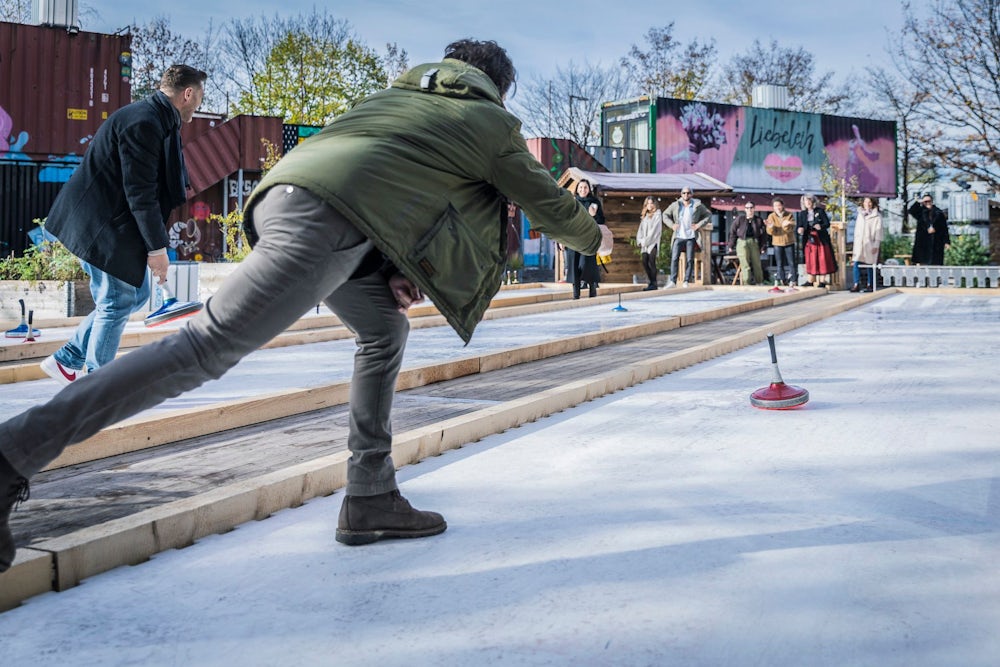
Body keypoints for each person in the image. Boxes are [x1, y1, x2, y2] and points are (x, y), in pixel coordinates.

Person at [0, 39, 613, 571]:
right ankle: (13, 452)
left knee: (382, 331)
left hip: (289, 203)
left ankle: (370, 493)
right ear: (497, 89)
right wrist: (598, 237)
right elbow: (545, 202)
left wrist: (382, 267)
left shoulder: (395, 99)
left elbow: (380, 181)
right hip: (326, 219)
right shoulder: (488, 122)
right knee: (202, 348)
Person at [38, 65, 207, 387]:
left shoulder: (158, 120)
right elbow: (140, 192)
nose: (198, 104)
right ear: (188, 93)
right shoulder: (144, 122)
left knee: (135, 295)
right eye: (199, 96)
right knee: (116, 301)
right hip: (100, 225)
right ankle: (96, 385)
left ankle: (68, 358)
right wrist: (157, 249)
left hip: (112, 222)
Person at [663, 187, 710, 288]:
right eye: (683, 193)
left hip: (691, 236)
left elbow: (708, 215)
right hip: (678, 236)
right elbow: (665, 215)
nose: (686, 195)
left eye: (688, 193)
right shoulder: (675, 205)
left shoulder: (697, 205)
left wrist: (698, 225)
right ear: (681, 194)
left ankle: (686, 281)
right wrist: (672, 225)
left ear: (691, 194)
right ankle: (673, 281)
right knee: (674, 258)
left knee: (690, 259)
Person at [569, 179, 605, 299]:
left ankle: (592, 285)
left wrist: (594, 215)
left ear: (589, 189)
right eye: (580, 187)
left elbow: (601, 221)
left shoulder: (594, 202)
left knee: (586, 264)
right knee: (574, 265)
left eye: (585, 187)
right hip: (573, 238)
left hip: (588, 239)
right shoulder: (572, 202)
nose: (583, 190)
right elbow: (565, 221)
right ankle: (576, 292)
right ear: (577, 189)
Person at [796, 194, 837, 287]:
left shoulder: (820, 211)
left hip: (820, 238)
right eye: (806, 201)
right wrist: (800, 230)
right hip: (809, 239)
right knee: (810, 259)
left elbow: (827, 223)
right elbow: (799, 226)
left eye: (810, 200)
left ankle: (822, 281)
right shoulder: (802, 214)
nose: (808, 202)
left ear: (813, 201)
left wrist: (820, 226)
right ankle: (810, 280)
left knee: (822, 258)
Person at [728, 202, 767, 285]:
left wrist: (763, 247)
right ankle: (746, 282)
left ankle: (759, 282)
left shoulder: (758, 220)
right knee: (745, 263)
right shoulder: (740, 219)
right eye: (747, 208)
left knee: (756, 263)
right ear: (745, 209)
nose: (749, 210)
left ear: (754, 209)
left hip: (754, 241)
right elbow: (732, 232)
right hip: (742, 241)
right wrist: (731, 244)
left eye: (751, 207)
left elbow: (763, 235)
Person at [851, 197, 884, 292]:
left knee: (870, 263)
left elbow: (879, 232)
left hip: (871, 242)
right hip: (859, 242)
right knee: (856, 262)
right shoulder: (860, 214)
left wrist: (876, 244)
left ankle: (870, 284)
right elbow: (857, 229)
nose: (867, 204)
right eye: (866, 202)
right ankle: (856, 283)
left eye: (869, 202)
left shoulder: (877, 216)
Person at [908, 194, 950, 265]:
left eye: (929, 201)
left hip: (936, 241)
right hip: (923, 241)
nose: (927, 203)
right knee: (922, 261)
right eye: (925, 201)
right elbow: (911, 211)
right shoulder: (920, 212)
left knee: (936, 262)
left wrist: (947, 241)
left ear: (932, 201)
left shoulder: (939, 213)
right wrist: (918, 202)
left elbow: (944, 228)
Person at [765, 198, 797, 286]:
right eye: (775, 206)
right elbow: (770, 232)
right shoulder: (771, 216)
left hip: (789, 241)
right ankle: (782, 279)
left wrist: (786, 225)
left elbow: (792, 227)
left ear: (782, 206)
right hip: (777, 242)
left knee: (792, 262)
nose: (777, 207)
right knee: (779, 263)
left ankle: (793, 280)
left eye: (779, 205)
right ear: (773, 207)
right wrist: (771, 227)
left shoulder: (789, 215)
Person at [635, 196, 663, 290]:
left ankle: (654, 283)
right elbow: (641, 230)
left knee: (651, 262)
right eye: (648, 203)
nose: (650, 205)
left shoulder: (658, 215)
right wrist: (639, 240)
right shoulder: (645, 216)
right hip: (644, 244)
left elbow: (654, 231)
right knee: (644, 261)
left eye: (651, 203)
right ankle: (651, 281)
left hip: (652, 242)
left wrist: (645, 241)